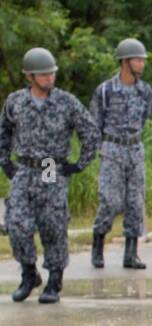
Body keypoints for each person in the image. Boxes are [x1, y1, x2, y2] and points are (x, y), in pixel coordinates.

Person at [1, 47, 100, 304]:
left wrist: (78, 165)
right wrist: (5, 163)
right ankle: (29, 273)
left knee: (53, 226)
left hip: (51, 170)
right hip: (25, 169)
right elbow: (4, 133)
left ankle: (54, 280)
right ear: (30, 77)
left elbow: (91, 132)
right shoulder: (15, 102)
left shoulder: (66, 102)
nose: (49, 78)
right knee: (16, 225)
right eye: (44, 75)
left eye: (52, 74)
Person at [91, 38, 152, 271]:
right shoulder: (105, 91)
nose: (142, 64)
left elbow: (144, 118)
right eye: (138, 59)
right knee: (110, 200)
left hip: (134, 149)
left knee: (135, 202)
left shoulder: (144, 91)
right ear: (125, 62)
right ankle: (98, 241)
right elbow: (94, 123)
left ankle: (131, 253)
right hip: (111, 149)